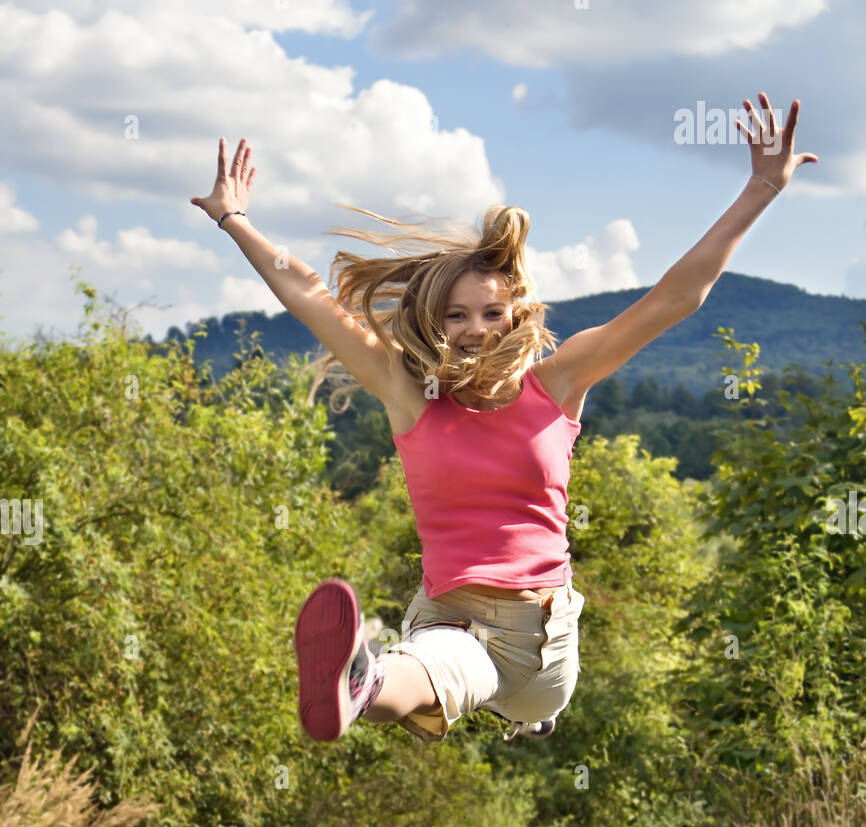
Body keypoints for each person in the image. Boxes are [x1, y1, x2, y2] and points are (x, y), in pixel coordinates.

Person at [190, 95, 817, 743]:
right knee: (420, 667)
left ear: (516, 315)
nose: (474, 331)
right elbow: (310, 298)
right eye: (457, 316)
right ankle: (360, 682)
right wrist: (234, 219)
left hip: (535, 639)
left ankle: (503, 707)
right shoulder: (411, 395)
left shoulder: (559, 381)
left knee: (484, 674)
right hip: (445, 618)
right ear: (435, 324)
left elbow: (674, 299)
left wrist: (762, 188)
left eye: (491, 314)